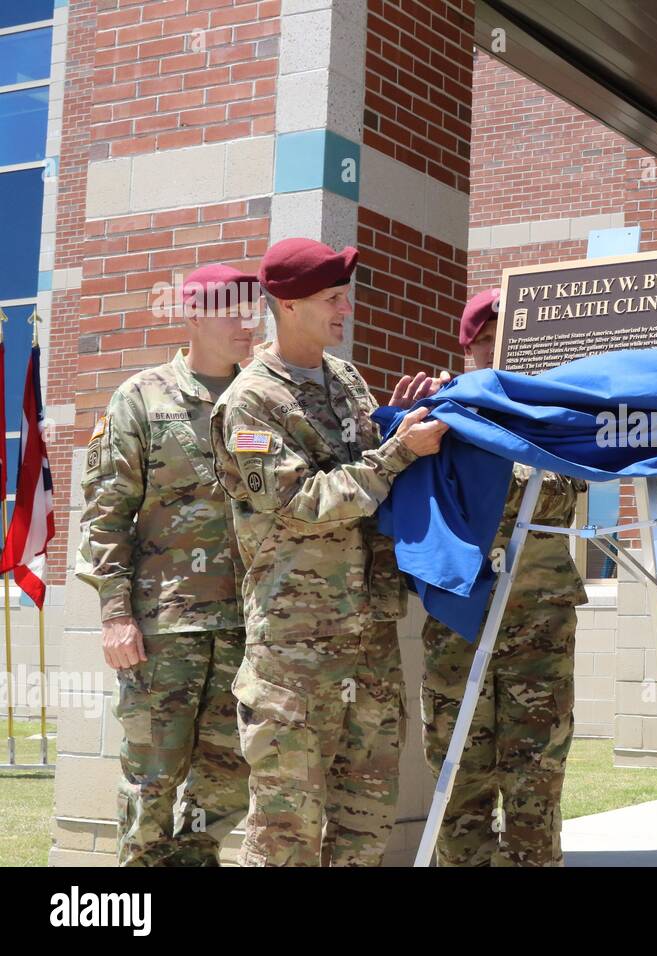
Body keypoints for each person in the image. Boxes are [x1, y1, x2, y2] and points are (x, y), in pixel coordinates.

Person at [209, 238, 448, 866]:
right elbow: (303, 502)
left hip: (368, 643)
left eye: (345, 297)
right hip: (294, 655)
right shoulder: (251, 402)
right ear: (288, 305)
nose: (346, 309)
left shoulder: (345, 379)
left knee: (364, 829)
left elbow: (373, 471)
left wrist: (400, 423)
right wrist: (400, 452)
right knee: (286, 835)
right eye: (332, 299)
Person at [77, 263, 258, 865]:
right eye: (232, 309)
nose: (247, 321)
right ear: (192, 316)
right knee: (151, 787)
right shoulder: (142, 396)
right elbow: (106, 514)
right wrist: (114, 614)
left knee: (226, 783)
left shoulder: (259, 396)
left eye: (251, 308)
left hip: (243, 628)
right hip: (163, 630)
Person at [421, 288, 589, 866]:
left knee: (534, 782)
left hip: (538, 630)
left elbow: (563, 491)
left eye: (512, 338)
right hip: (460, 628)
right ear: (469, 348)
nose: (502, 351)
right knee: (459, 773)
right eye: (489, 340)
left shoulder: (552, 416)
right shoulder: (445, 415)